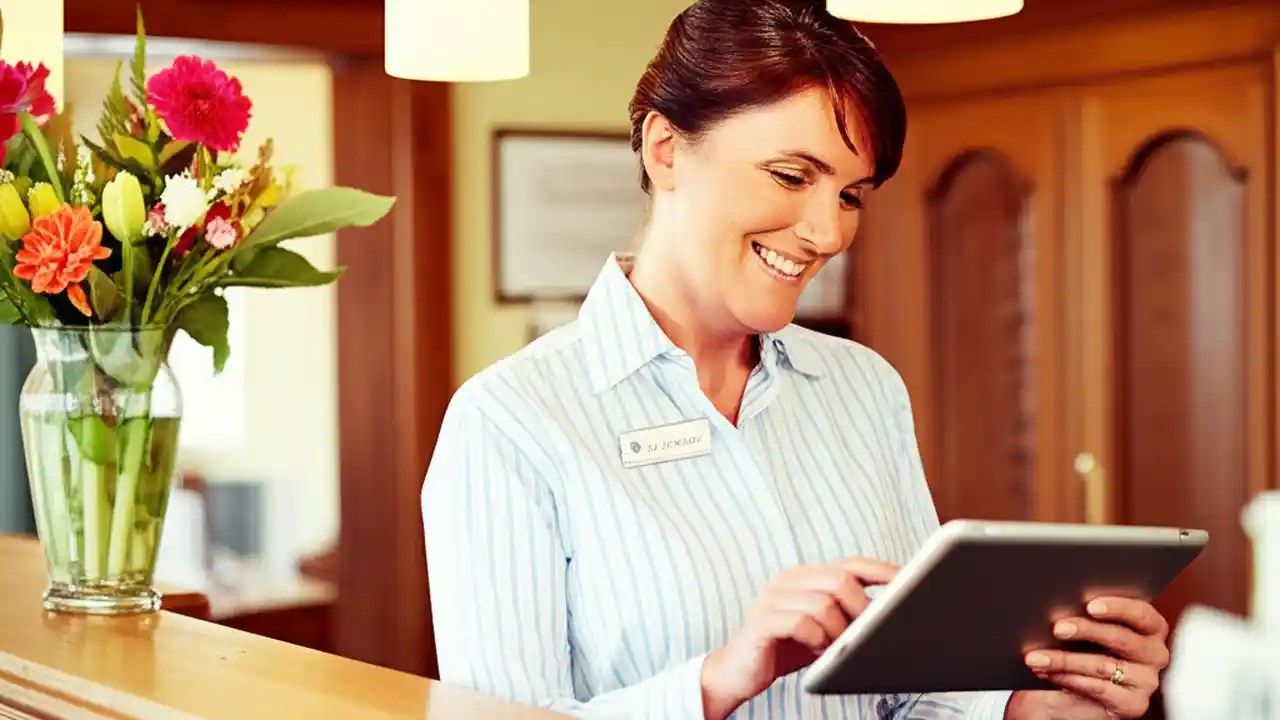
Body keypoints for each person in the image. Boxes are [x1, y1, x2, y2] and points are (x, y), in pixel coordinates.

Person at [421, 1, 1172, 718]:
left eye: (852, 195)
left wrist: (1028, 706)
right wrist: (717, 680)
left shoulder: (864, 389)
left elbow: (912, 691)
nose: (828, 233)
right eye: (791, 175)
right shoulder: (511, 421)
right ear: (666, 149)